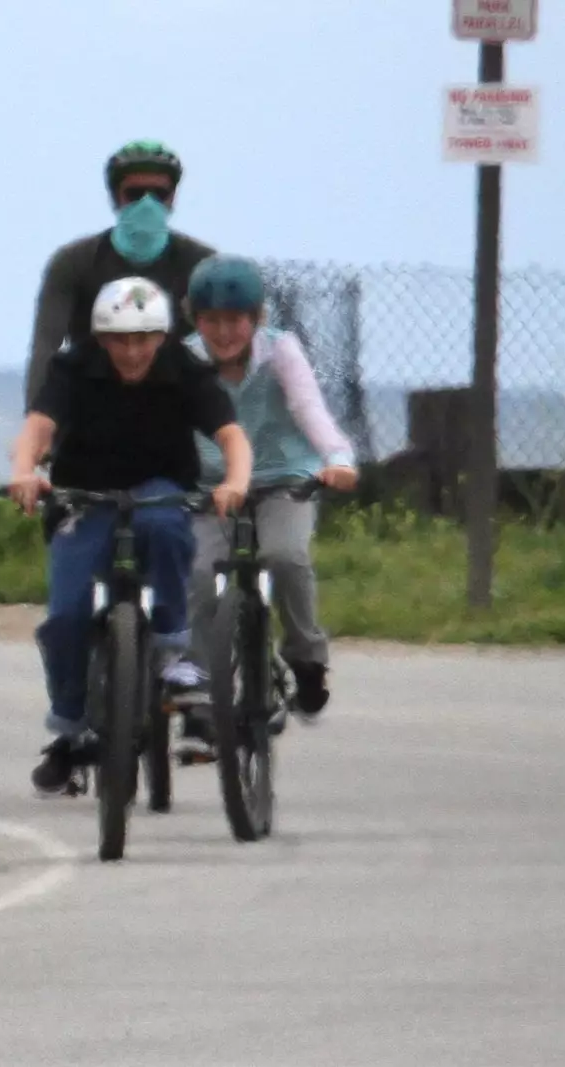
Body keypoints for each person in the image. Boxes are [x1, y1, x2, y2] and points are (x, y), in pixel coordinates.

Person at [8, 276, 254, 795]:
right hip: (85, 494)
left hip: (158, 489)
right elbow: (39, 427)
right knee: (66, 617)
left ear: (162, 337)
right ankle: (70, 726)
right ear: (101, 338)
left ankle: (172, 645)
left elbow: (231, 435)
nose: (133, 349)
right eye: (120, 338)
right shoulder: (73, 368)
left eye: (144, 337)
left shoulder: (184, 369)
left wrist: (234, 483)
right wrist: (26, 470)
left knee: (167, 527)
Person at [177, 254, 359, 753]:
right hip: (213, 487)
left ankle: (306, 658)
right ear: (195, 320)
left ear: (256, 318)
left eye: (234, 319)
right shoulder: (186, 360)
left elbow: (309, 409)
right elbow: (170, 428)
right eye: (211, 320)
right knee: (195, 573)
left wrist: (338, 459)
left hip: (285, 480)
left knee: (284, 555)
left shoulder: (281, 352)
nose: (223, 331)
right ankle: (197, 698)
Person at [22, 140, 217, 413]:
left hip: (177, 408)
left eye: (159, 193)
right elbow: (45, 348)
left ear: (173, 198)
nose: (147, 204)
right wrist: (38, 424)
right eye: (135, 193)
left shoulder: (204, 265)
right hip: (92, 406)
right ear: (115, 197)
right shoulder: (72, 263)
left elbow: (231, 348)